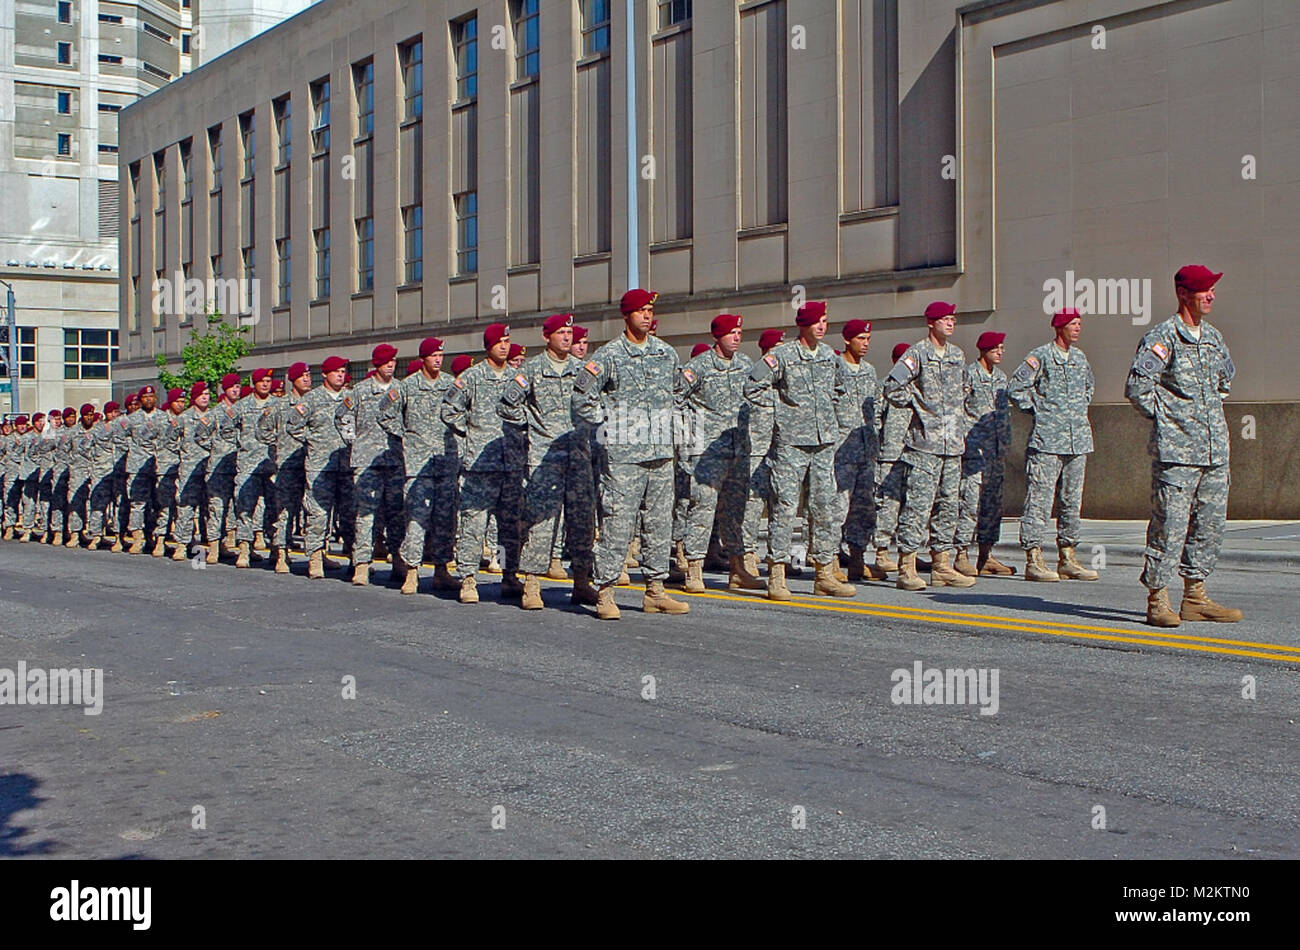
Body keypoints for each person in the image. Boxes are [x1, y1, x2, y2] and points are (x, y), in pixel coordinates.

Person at [1126, 264, 1241, 627]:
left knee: (1210, 523)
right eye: (1203, 289)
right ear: (1183, 293)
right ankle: (1158, 598)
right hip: (1177, 453)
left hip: (1213, 450)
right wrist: (1171, 419)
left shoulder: (1214, 338)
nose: (1211, 295)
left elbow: (1226, 381)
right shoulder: (1163, 337)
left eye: (1212, 289)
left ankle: (1195, 595)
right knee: (1170, 524)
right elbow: (1137, 387)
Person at [572, 289, 691, 619]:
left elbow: (680, 395)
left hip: (661, 452)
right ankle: (606, 592)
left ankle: (655, 591)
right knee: (617, 523)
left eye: (650, 310)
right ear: (626, 316)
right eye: (640, 311)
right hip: (624, 456)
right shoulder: (609, 356)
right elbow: (582, 399)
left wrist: (674, 429)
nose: (647, 315)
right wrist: (609, 425)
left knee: (658, 524)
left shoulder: (666, 354)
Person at [745, 301, 856, 601]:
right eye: (817, 321)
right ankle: (777, 574)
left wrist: (831, 417)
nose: (822, 326)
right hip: (790, 444)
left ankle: (823, 573)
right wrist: (778, 413)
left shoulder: (830, 358)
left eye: (825, 321)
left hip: (822, 444)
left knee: (823, 508)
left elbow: (841, 389)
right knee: (784, 507)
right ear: (804, 325)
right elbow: (753, 386)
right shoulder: (781, 356)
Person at [499, 314, 599, 609]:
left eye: (570, 332)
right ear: (547, 337)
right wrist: (529, 426)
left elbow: (597, 404)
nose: (567, 338)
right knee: (540, 522)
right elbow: (506, 404)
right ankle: (531, 583)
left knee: (582, 521)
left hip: (579, 456)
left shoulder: (583, 370)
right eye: (561, 333)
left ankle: (582, 581)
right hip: (545, 458)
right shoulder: (531, 370)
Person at [882, 301, 976, 591]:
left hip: (952, 445)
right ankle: (907, 565)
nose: (951, 323)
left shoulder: (957, 356)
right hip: (924, 444)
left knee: (949, 505)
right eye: (945, 319)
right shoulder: (917, 354)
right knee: (918, 506)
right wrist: (917, 404)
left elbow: (964, 389)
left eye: (953, 319)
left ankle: (941, 565)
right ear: (931, 323)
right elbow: (892, 386)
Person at [1008, 308, 1098, 582]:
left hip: (1078, 439)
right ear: (1060, 327)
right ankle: (1034, 558)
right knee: (1040, 500)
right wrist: (1039, 409)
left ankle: (1068, 557)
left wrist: (1078, 409)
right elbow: (1016, 388)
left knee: (1072, 501)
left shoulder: (1080, 358)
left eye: (1080, 324)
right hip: (1047, 441)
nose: (1078, 328)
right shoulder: (1041, 356)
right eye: (1073, 324)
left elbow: (1089, 387)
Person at [677, 313, 762, 592]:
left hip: (739, 450)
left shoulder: (746, 365)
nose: (737, 337)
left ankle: (738, 569)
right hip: (708, 455)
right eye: (731, 333)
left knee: (736, 511)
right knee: (702, 510)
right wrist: (688, 435)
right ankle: (694, 570)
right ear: (718, 336)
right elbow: (675, 397)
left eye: (739, 332)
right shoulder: (699, 366)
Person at [442, 324, 525, 603]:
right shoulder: (472, 377)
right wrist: (470, 435)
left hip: (511, 461)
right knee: (474, 523)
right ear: (488, 346)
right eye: (499, 341)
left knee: (510, 524)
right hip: (480, 465)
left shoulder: (518, 377)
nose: (504, 346)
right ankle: (467, 578)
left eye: (507, 341)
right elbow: (449, 410)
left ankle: (509, 575)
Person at [382, 338, 459, 594]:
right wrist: (404, 435)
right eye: (433, 355)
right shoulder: (407, 386)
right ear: (423, 358)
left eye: (441, 355)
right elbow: (385, 412)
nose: (438, 359)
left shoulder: (451, 384)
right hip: (417, 463)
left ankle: (441, 570)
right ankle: (412, 571)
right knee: (417, 519)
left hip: (446, 461)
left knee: (445, 519)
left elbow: (463, 412)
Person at [339, 344, 407, 586]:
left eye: (394, 361)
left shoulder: (401, 388)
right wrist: (353, 440)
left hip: (394, 459)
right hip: (367, 461)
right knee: (366, 515)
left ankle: (399, 560)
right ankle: (361, 564)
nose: (391, 364)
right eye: (387, 361)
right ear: (377, 364)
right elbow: (342, 415)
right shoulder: (360, 390)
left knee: (396, 514)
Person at [286, 355, 355, 579]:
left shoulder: (350, 397)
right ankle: (315, 557)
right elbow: (292, 425)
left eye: (343, 371)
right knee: (317, 513)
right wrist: (312, 440)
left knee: (350, 513)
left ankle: (356, 559)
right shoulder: (312, 398)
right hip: (320, 467)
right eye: (336, 371)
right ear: (325, 374)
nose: (340, 375)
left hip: (346, 464)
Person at [955, 332, 1015, 577]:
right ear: (984, 350)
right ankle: (961, 553)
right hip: (974, 451)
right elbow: (957, 408)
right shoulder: (969, 375)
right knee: (970, 502)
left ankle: (986, 555)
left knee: (992, 505)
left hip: (996, 451)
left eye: (1002, 348)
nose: (1000, 352)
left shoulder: (1001, 378)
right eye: (995, 348)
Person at [833, 319, 887, 582]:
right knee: (837, 508)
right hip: (841, 451)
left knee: (863, 508)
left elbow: (873, 409)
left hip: (866, 449)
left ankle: (857, 559)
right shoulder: (835, 368)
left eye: (868, 339)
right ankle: (830, 560)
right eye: (860, 339)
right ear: (847, 340)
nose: (865, 344)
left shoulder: (869, 371)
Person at [257, 362, 312, 573]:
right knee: (285, 511)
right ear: (293, 380)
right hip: (288, 466)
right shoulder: (280, 406)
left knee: (314, 512)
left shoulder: (315, 401)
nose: (306, 379)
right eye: (302, 376)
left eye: (308, 375)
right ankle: (281, 552)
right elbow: (262, 430)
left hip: (312, 463)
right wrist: (278, 443)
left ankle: (317, 553)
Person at [205, 373, 243, 563]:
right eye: (232, 387)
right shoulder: (215, 412)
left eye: (238, 386)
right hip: (219, 468)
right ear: (224, 390)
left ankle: (234, 543)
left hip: (239, 466)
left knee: (238, 509)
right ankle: (213, 546)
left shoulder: (244, 409)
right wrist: (214, 447)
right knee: (217, 508)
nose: (236, 390)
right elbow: (200, 435)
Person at [173, 382, 213, 561]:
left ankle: (214, 544)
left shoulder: (214, 416)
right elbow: (168, 438)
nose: (205, 397)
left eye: (207, 394)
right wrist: (181, 455)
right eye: (201, 394)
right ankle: (182, 544)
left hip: (211, 467)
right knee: (187, 507)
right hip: (190, 468)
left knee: (212, 508)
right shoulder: (184, 418)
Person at [123, 385, 161, 554]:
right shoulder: (131, 419)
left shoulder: (163, 417)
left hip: (158, 465)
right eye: (145, 397)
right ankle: (137, 538)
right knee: (137, 504)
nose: (148, 399)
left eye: (151, 396)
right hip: (137, 467)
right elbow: (115, 435)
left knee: (158, 504)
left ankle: (154, 536)